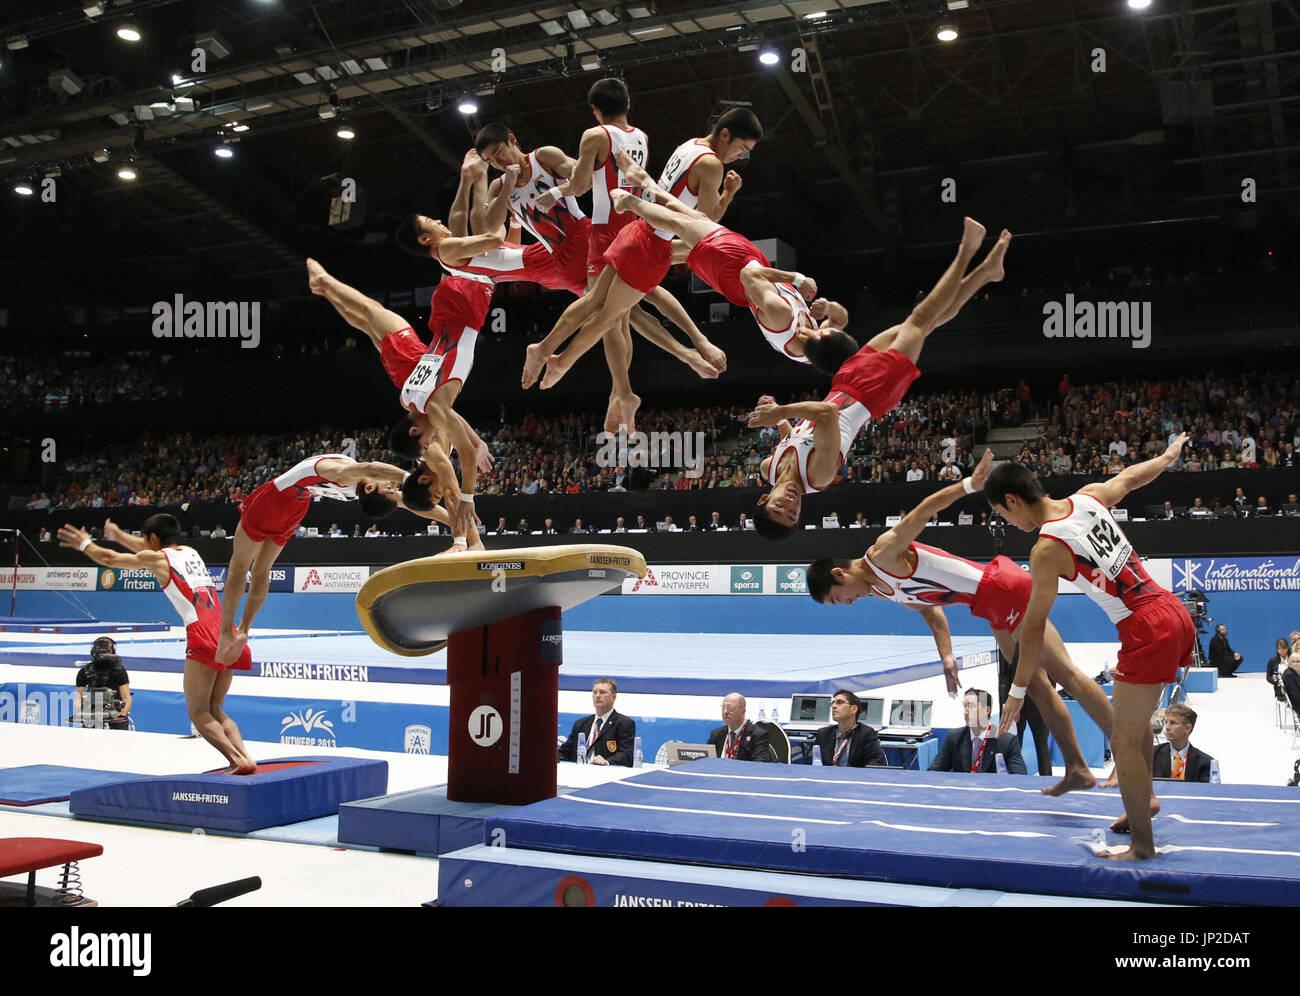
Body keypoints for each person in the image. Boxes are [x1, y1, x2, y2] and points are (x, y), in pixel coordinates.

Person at [807, 451, 1109, 792]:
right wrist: (947, 658)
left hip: (1002, 589)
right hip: (988, 605)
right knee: (1036, 687)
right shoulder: (882, 590)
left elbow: (922, 511)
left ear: (839, 573)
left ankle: (1125, 758)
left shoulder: (883, 553)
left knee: (1065, 674)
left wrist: (968, 485)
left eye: (838, 597)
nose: (846, 604)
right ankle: (1078, 769)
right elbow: (930, 611)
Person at [984, 433, 1194, 861]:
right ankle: (1143, 803)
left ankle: (1141, 847)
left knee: (1124, 742)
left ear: (1012, 500)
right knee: (1130, 737)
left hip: (1145, 626)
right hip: (1173, 610)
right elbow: (1132, 478)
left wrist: (1018, 689)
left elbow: (1034, 626)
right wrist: (1167, 456)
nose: (1007, 523)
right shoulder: (1087, 498)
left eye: (1001, 515)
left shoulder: (1047, 548)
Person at [747, 219, 1012, 537]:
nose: (790, 506)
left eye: (779, 508)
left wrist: (779, 420)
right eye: (793, 516)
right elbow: (826, 414)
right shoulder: (818, 477)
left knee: (924, 323)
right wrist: (780, 412)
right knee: (921, 318)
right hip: (873, 392)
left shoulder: (768, 468)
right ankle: (966, 252)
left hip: (845, 382)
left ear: (764, 498)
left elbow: (795, 437)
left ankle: (986, 273)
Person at [516, 80, 728, 427]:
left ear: (595, 110)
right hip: (637, 220)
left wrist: (558, 190)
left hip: (606, 227)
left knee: (611, 313)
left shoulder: (594, 136)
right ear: (628, 102)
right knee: (629, 307)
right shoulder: (641, 136)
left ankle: (567, 362)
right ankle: (628, 389)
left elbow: (582, 184)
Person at [524, 111, 763, 396]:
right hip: (652, 246)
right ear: (725, 134)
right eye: (742, 148)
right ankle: (562, 362)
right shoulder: (712, 164)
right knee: (609, 317)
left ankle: (543, 348)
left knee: (595, 301)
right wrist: (728, 193)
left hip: (636, 230)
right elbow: (704, 225)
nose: (741, 156)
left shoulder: (691, 145)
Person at [58, 514, 257, 773]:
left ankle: (236, 759)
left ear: (153, 538)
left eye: (145, 538)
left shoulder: (157, 558)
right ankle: (245, 757)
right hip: (226, 630)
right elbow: (148, 552)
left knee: (198, 712)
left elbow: (111, 559)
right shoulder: (190, 552)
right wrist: (118, 536)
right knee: (216, 708)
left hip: (202, 632)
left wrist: (85, 544)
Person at [214, 456, 406, 664]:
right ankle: (244, 629)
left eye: (390, 488)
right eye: (392, 488)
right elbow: (412, 503)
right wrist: (446, 516)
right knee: (263, 569)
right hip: (297, 508)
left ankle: (226, 633)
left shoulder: (345, 475)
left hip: (274, 499)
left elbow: (372, 467)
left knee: (238, 568)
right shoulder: (355, 491)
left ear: (369, 488)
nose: (392, 485)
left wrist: (409, 477)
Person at [929, 688, 1027, 774]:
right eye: (965, 706)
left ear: (987, 710)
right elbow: (934, 771)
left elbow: (1020, 777)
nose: (966, 712)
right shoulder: (954, 737)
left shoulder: (1007, 741)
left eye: (971, 706)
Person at [558, 678, 635, 766]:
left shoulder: (624, 723)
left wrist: (606, 761)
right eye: (595, 692)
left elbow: (626, 755)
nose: (597, 695)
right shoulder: (580, 724)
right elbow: (565, 752)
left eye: (602, 692)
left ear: (613, 697)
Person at [813, 689, 885, 767]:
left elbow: (875, 763)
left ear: (853, 709)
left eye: (839, 702)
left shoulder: (866, 733)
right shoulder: (823, 733)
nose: (833, 706)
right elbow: (816, 762)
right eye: (833, 703)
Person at [74, 637, 131, 731]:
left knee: (120, 737)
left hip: (116, 710)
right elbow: (78, 697)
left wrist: (123, 714)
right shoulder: (85, 671)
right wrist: (81, 711)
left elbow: (126, 698)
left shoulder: (119, 671)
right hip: (92, 708)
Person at [1154, 704, 1214, 782]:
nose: (1167, 727)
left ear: (1187, 728)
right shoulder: (1152, 754)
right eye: (1166, 722)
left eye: (1173, 723)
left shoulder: (1205, 763)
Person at [707, 693, 775, 762]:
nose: (725, 712)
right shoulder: (716, 734)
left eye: (730, 708)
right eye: (723, 708)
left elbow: (759, 764)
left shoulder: (758, 735)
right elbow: (706, 761)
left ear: (743, 711)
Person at [1267, 637, 1292, 701]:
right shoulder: (1272, 660)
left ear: (1288, 648)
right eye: (1279, 649)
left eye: (1284, 648)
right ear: (1277, 650)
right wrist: (1274, 680)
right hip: (1280, 686)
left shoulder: (1293, 659)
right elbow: (1268, 677)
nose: (1282, 651)